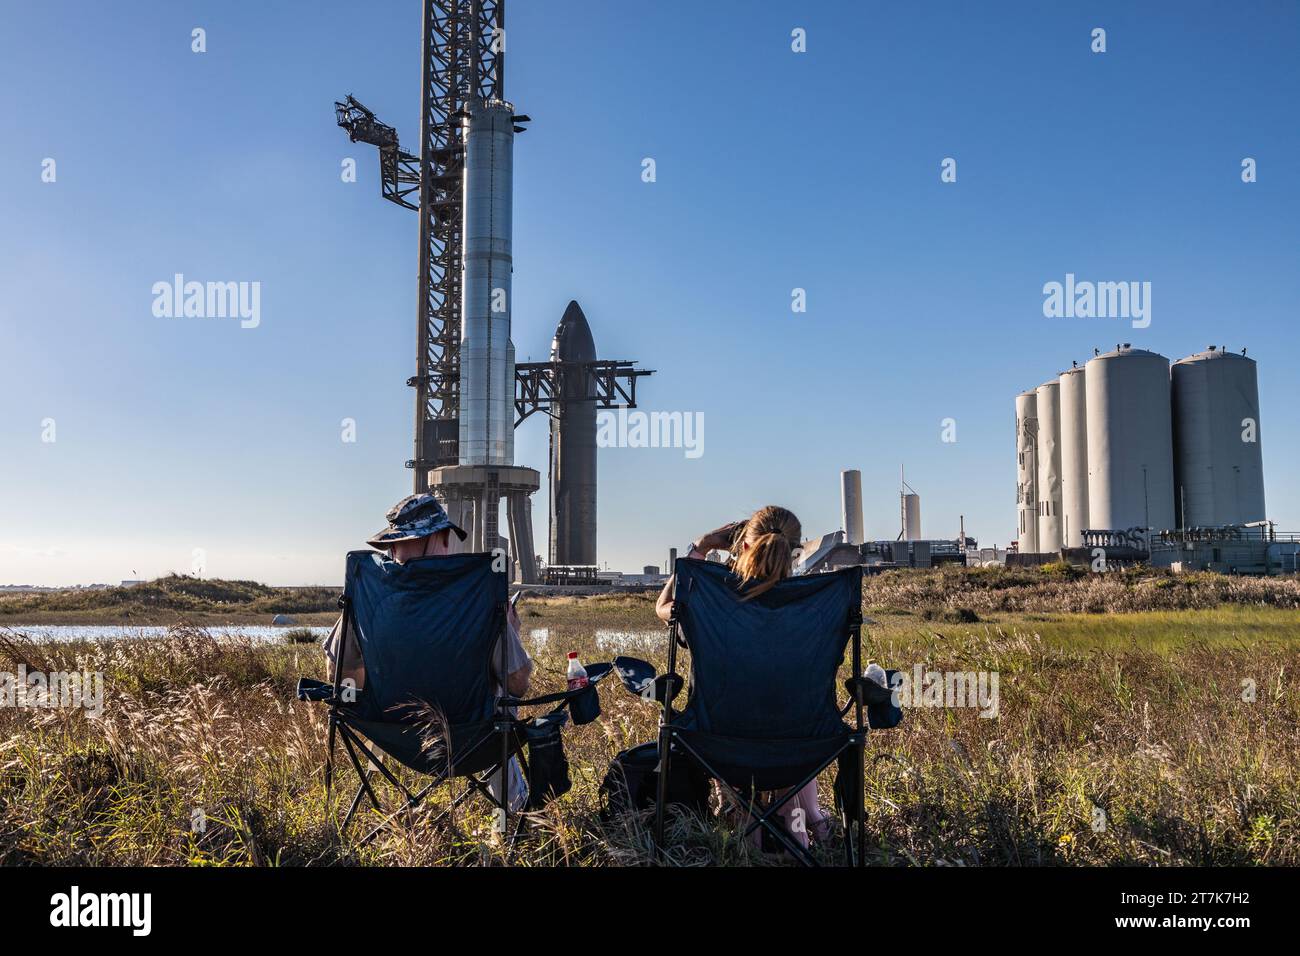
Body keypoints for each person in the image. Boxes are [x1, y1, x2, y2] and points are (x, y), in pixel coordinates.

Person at [323, 493, 533, 810]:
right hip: (473, 735)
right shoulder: (478, 594)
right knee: (501, 697)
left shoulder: (369, 593)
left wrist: (386, 683)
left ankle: (383, 814)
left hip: (391, 731)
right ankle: (513, 813)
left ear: (395, 545)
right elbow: (517, 684)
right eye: (446, 537)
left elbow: (337, 676)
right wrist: (511, 632)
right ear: (437, 538)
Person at [655, 505, 832, 851]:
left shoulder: (713, 604)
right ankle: (803, 829)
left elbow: (665, 607)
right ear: (795, 553)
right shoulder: (815, 604)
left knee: (740, 718)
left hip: (722, 742)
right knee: (782, 712)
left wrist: (701, 547)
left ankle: (750, 830)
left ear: (745, 547)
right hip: (800, 743)